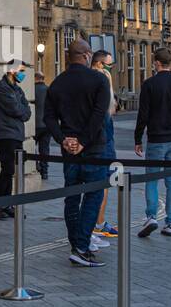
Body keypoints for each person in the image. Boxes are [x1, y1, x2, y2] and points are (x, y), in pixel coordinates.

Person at [43, 39, 111, 268]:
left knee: (72, 198)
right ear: (85, 55)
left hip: (68, 149)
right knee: (93, 196)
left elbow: (48, 118)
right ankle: (81, 247)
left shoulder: (57, 84)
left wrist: (63, 140)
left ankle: (76, 245)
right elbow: (99, 114)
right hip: (93, 149)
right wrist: (83, 141)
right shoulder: (99, 80)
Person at [134, 47, 171, 237]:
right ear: (170, 63)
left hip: (156, 139)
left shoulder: (149, 84)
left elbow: (142, 115)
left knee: (151, 178)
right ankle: (170, 223)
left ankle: (151, 216)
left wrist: (137, 139)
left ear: (157, 63)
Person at [0, 60, 32, 221]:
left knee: (11, 171)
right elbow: (16, 110)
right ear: (11, 71)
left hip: (16, 134)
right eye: (21, 70)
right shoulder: (1, 88)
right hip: (5, 134)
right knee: (7, 170)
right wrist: (22, 111)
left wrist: (22, 110)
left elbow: (26, 111)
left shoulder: (17, 89)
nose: (23, 74)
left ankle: (6, 204)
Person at [90, 49, 118, 246]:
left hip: (99, 139)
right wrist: (109, 83)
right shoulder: (99, 82)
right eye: (109, 65)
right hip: (102, 140)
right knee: (103, 183)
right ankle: (96, 225)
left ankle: (97, 222)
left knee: (102, 183)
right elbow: (110, 109)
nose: (111, 69)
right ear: (100, 65)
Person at [33, 72, 50, 179]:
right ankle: (45, 171)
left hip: (34, 124)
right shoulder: (49, 90)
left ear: (35, 78)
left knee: (31, 147)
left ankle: (36, 166)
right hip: (47, 125)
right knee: (44, 149)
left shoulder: (31, 90)